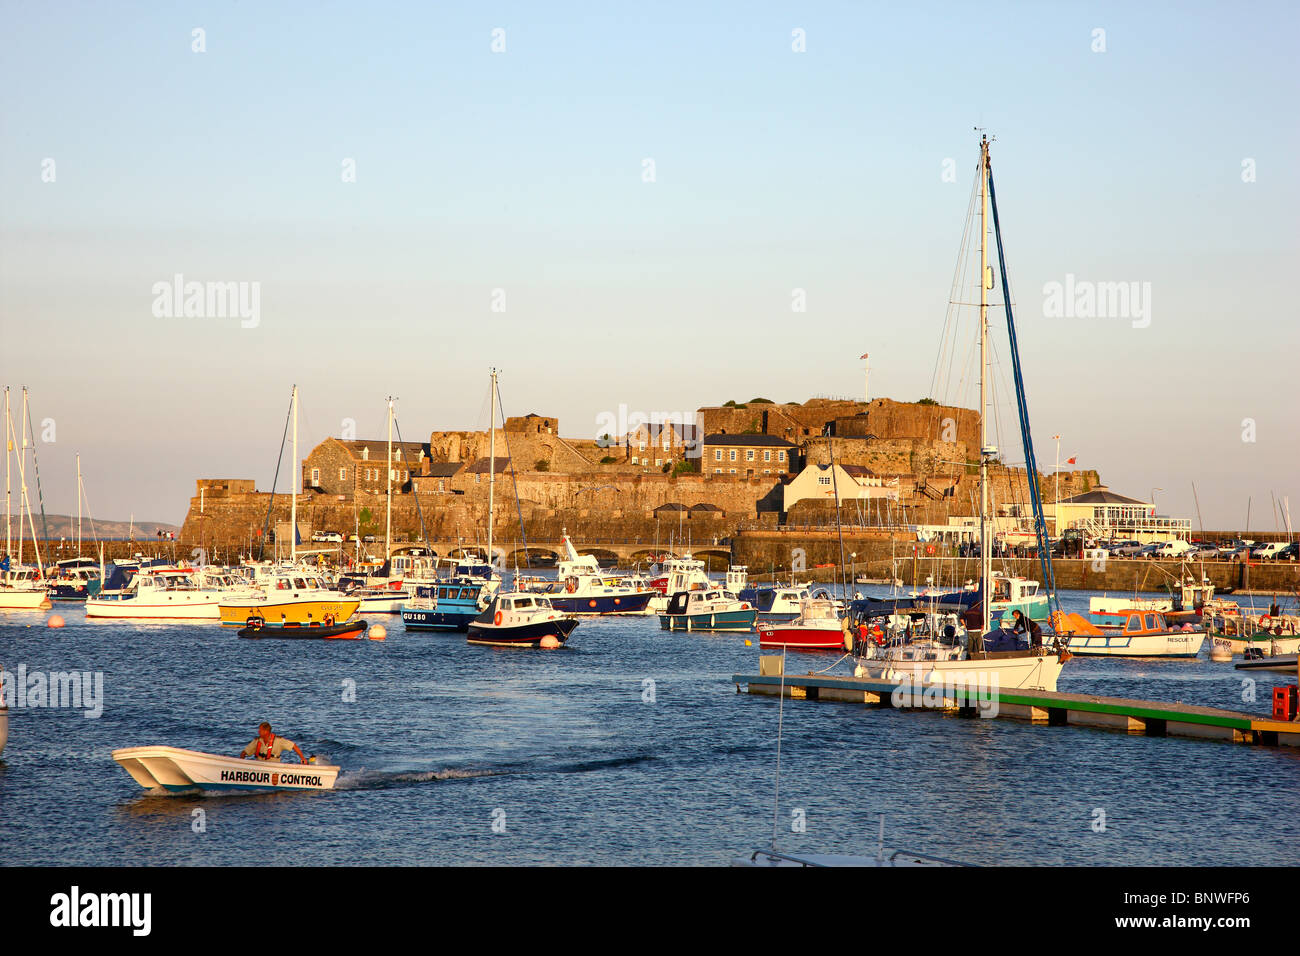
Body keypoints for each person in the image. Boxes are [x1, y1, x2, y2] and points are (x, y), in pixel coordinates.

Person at [240, 722, 309, 763]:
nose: (258, 732)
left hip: (273, 766)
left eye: (260, 730)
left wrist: (302, 758)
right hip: (260, 766)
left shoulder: (278, 741)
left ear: (266, 731)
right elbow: (244, 752)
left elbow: (293, 746)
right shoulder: (257, 741)